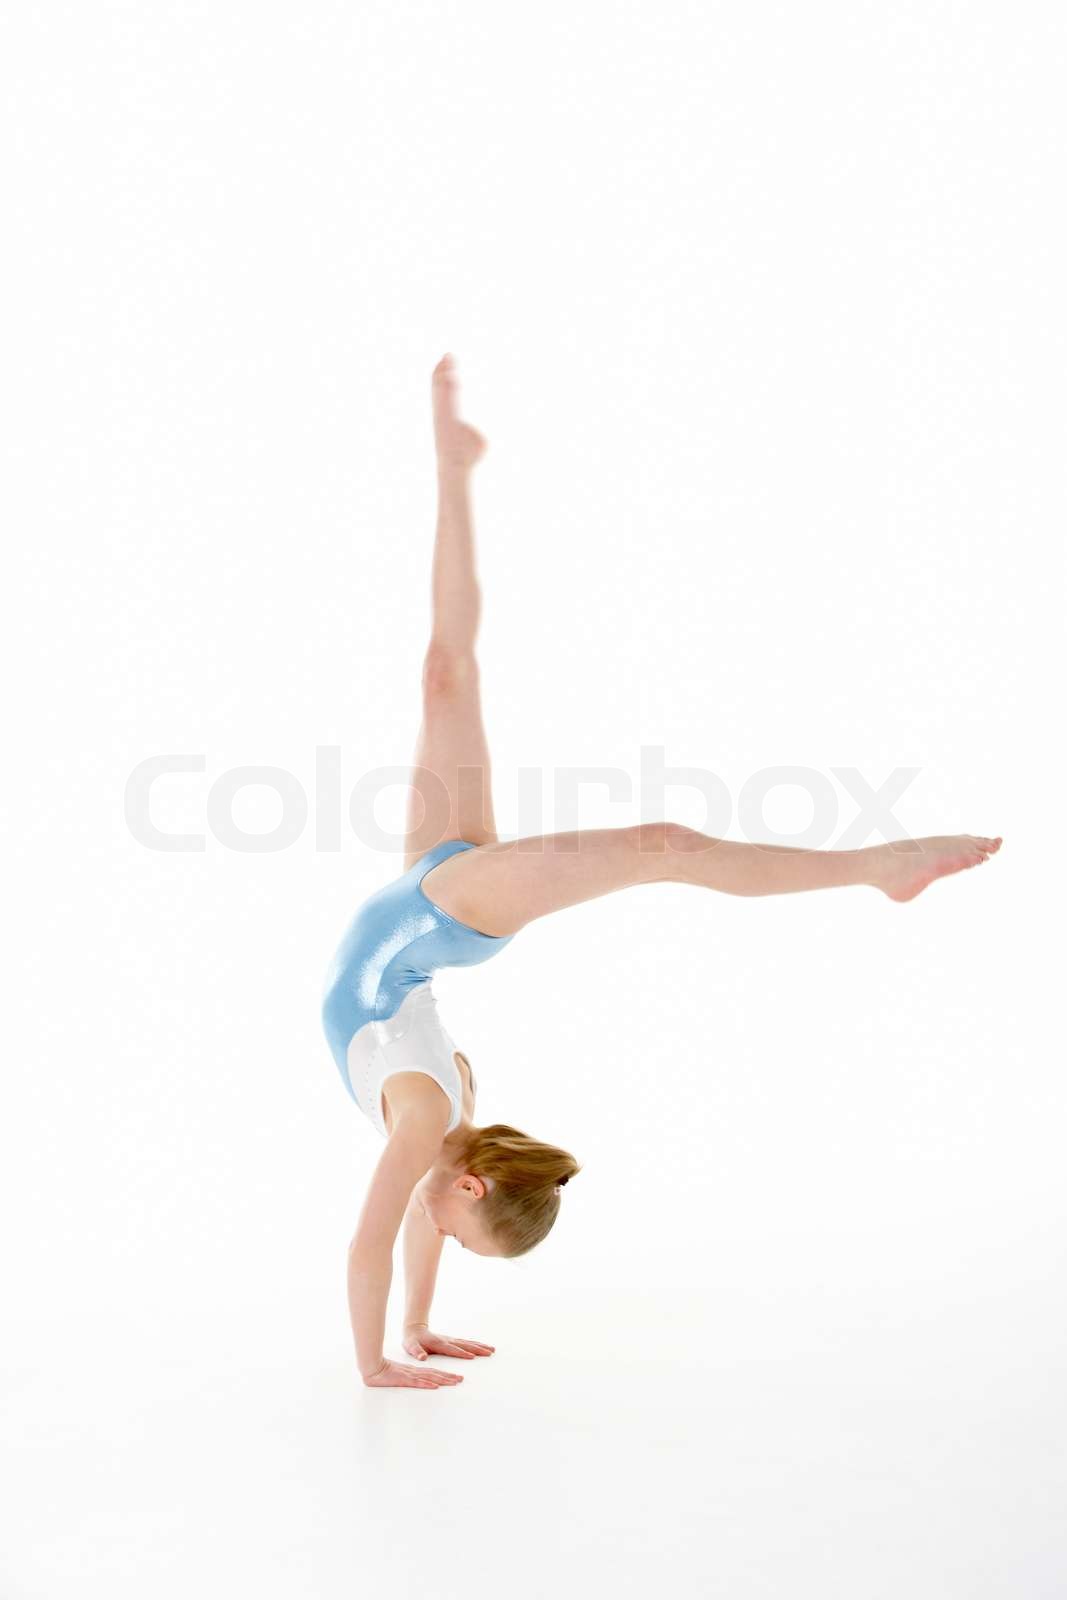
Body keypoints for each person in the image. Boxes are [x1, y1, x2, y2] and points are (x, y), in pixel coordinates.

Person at [322, 353, 1002, 1390]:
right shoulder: (443, 1109)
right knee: (623, 814)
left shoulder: (432, 1124)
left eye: (460, 1247)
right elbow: (398, 1234)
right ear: (468, 1179)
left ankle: (451, 466)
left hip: (431, 897)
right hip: (441, 912)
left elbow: (387, 1237)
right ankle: (872, 865)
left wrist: (393, 1347)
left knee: (473, 692)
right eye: (464, 1236)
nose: (445, 1240)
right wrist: (393, 1343)